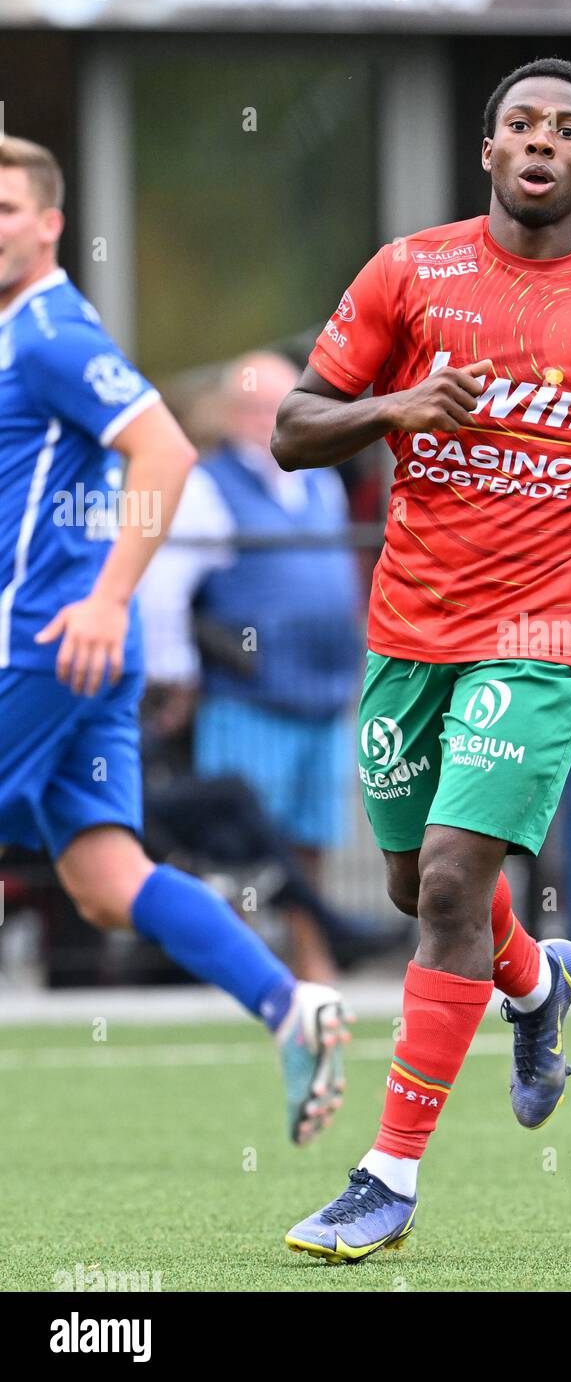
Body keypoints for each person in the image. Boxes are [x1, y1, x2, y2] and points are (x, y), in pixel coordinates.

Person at [271, 57, 571, 1261]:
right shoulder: (409, 270)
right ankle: (532, 982)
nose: (542, 141)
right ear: (492, 152)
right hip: (411, 624)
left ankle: (387, 1175)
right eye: (522, 125)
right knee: (415, 887)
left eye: (567, 129)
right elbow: (298, 427)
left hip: (547, 626)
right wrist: (395, 414)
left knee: (451, 882)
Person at [0, 136, 350, 1147]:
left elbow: (161, 445)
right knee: (107, 884)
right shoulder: (22, 336)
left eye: (10, 207)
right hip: (83, 653)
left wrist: (110, 598)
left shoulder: (52, 335)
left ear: (53, 223)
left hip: (50, 642)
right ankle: (292, 1003)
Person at [139, 350, 367, 982]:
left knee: (309, 836)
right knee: (240, 845)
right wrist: (177, 672)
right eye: (261, 408)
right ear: (236, 414)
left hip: (323, 690)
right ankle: (244, 969)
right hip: (249, 693)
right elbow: (165, 586)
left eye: (285, 404)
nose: (274, 419)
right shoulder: (209, 484)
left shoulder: (320, 479)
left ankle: (313, 959)